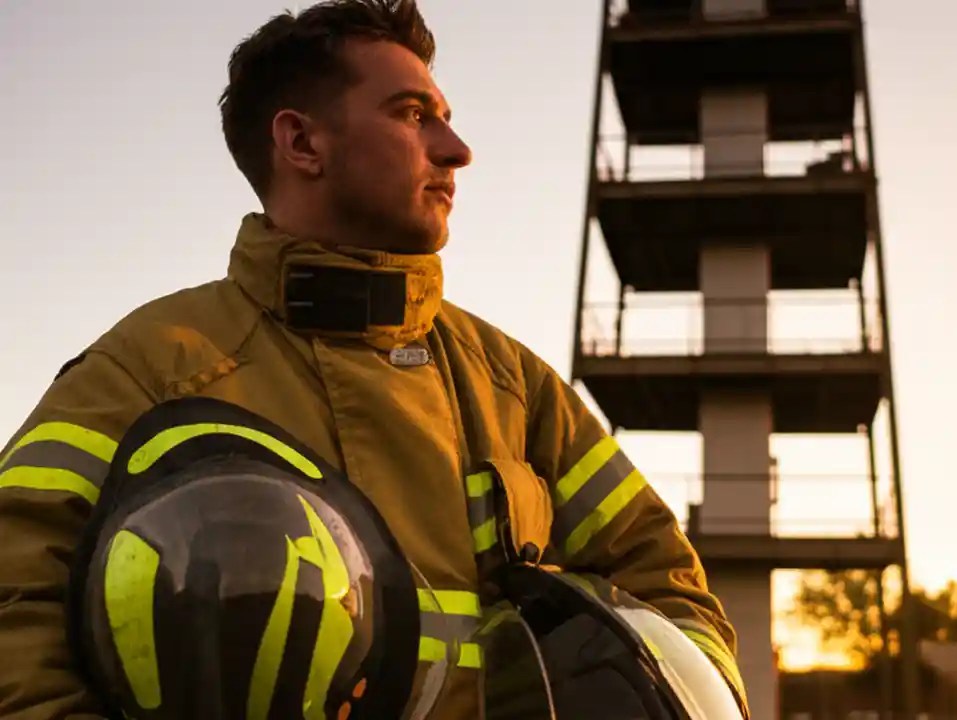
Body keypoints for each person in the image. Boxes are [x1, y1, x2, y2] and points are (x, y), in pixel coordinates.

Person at [0, 1, 746, 717]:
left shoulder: (518, 388)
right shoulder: (148, 370)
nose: (458, 149)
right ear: (302, 144)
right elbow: (13, 599)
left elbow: (668, 588)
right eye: (414, 114)